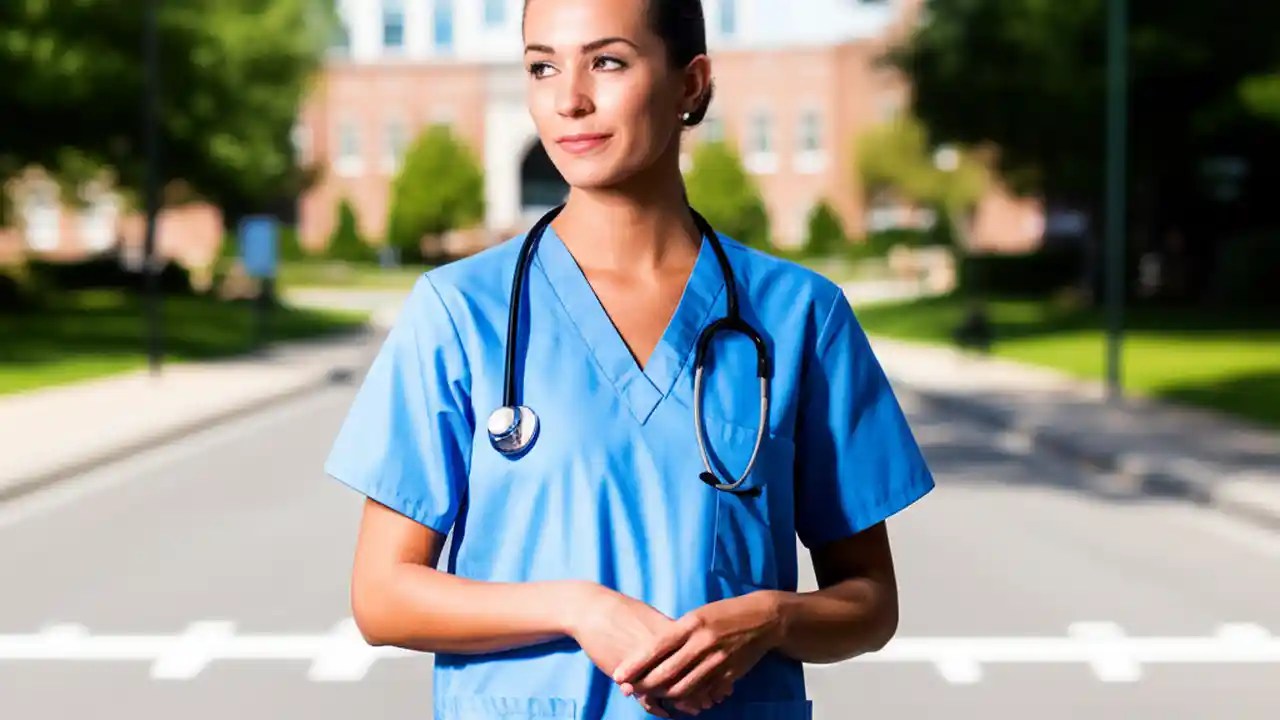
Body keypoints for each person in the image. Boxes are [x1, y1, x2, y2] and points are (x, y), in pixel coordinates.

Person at [323, 0, 934, 717]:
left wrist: (772, 617)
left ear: (691, 84)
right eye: (542, 66)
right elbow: (382, 596)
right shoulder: (460, 313)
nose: (569, 99)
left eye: (607, 62)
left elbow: (870, 601)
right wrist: (576, 607)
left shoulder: (799, 315)